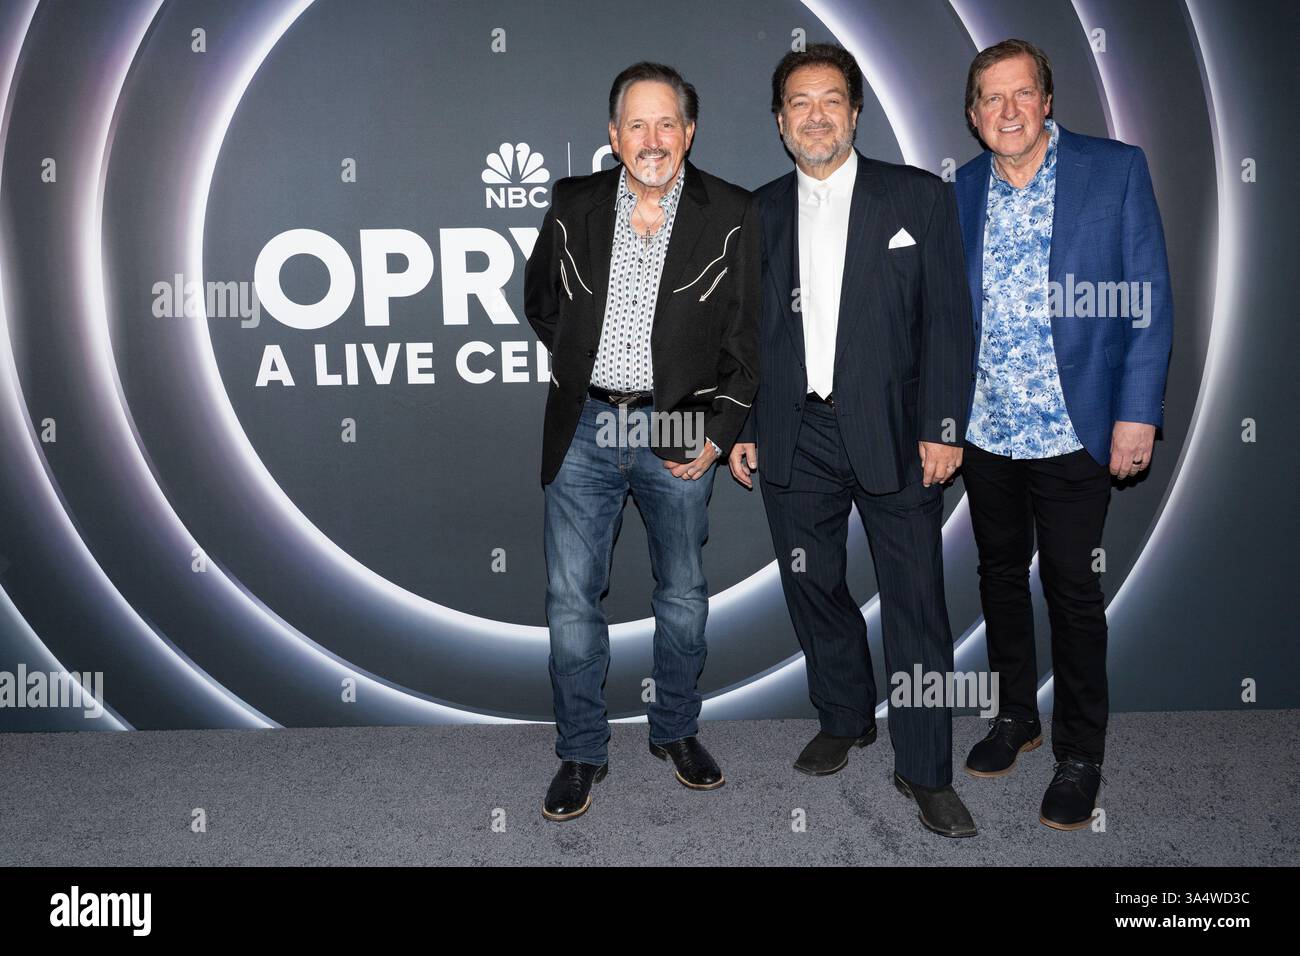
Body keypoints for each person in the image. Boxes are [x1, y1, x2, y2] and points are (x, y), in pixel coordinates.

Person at [730, 43, 976, 838]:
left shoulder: (919, 199)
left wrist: (944, 427)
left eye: (831, 99)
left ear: (856, 111)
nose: (816, 115)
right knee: (814, 587)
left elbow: (947, 323)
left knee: (917, 606)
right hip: (793, 435)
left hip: (900, 438)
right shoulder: (757, 212)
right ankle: (846, 715)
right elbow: (743, 334)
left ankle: (926, 768)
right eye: (799, 103)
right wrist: (740, 425)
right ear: (779, 122)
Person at [523, 62, 760, 822]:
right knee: (570, 602)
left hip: (676, 424)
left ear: (689, 132)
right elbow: (541, 300)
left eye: (667, 124)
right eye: (636, 124)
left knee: (684, 595)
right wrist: (585, 360)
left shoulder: (733, 212)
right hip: (589, 422)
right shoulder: (573, 203)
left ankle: (676, 731)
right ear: (612, 135)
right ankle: (582, 750)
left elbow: (751, 340)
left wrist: (718, 432)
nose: (652, 139)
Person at [953, 39, 1173, 829]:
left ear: (1048, 101)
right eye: (991, 99)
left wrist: (1137, 411)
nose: (1007, 111)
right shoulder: (963, 189)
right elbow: (946, 321)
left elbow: (1146, 298)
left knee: (1073, 591)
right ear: (974, 117)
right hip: (987, 429)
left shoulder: (1114, 170)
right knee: (1000, 576)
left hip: (1077, 426)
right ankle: (1018, 714)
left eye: (1022, 95)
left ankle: (1081, 753)